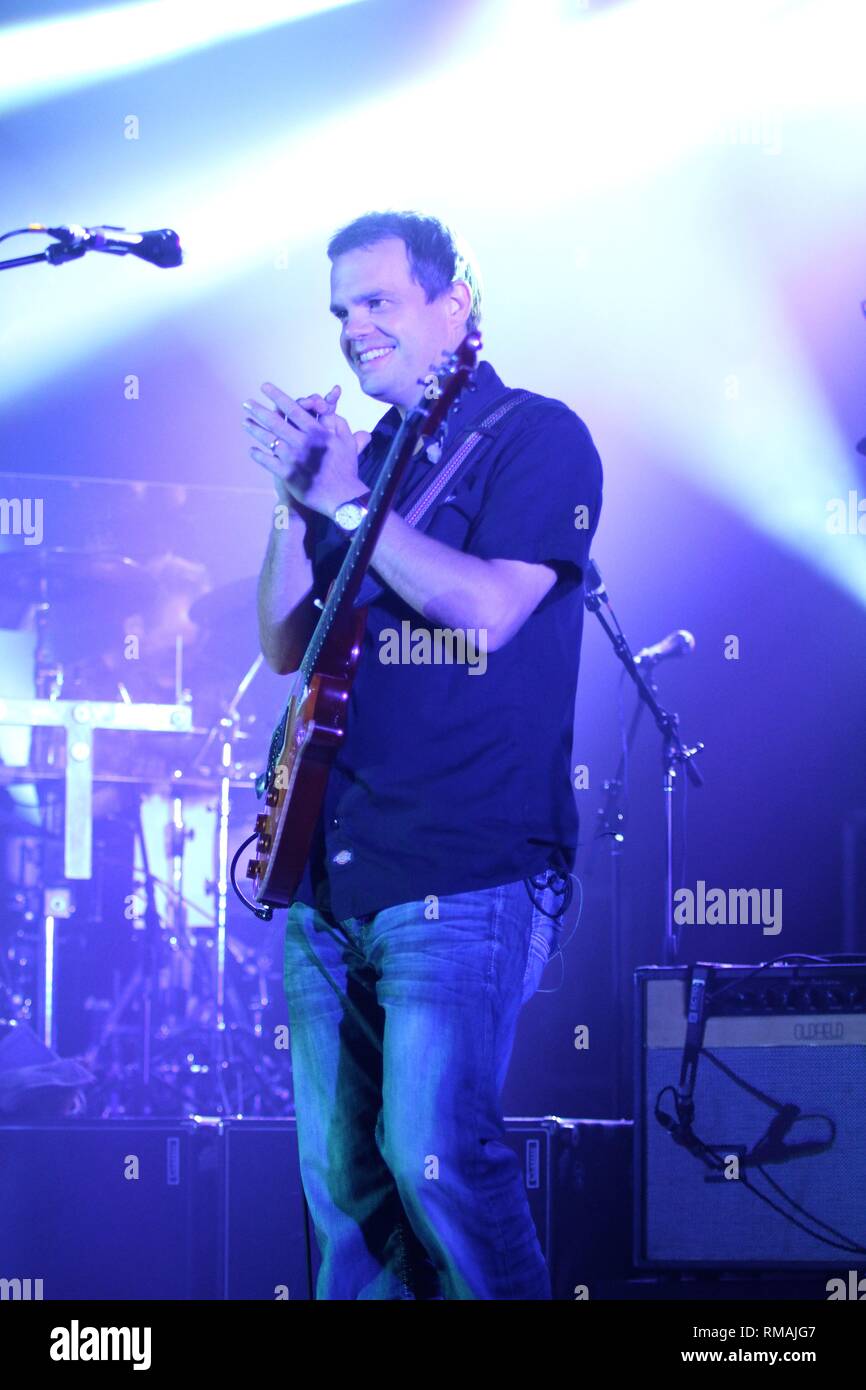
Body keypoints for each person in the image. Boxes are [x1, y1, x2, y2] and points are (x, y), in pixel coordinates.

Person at [244, 211, 603, 1299]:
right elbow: (281, 642)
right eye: (340, 311)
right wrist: (290, 500)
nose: (353, 330)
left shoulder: (535, 437)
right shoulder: (369, 463)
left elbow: (488, 611)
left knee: (435, 1160)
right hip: (331, 862)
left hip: (463, 863)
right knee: (341, 1187)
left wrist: (346, 496)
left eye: (377, 302)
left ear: (456, 303)